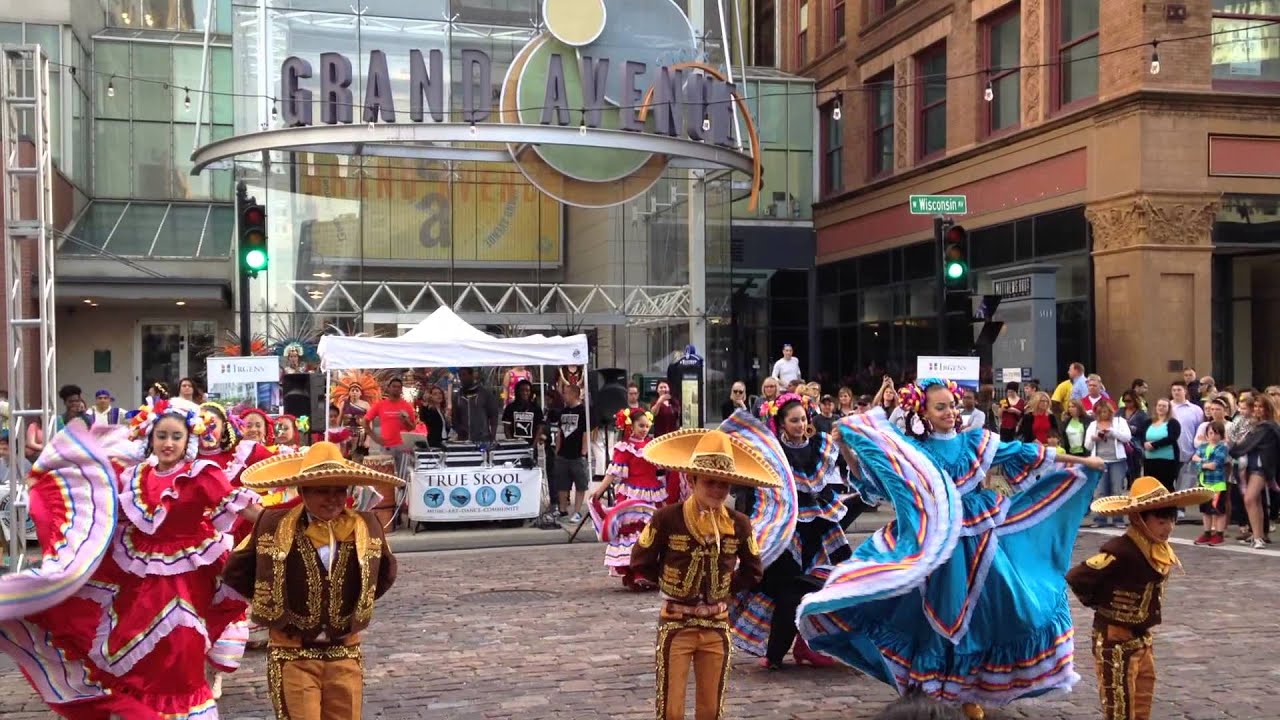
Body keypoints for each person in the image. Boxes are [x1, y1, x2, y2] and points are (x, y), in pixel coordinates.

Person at [797, 378, 1105, 720]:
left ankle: (967, 691)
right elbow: (878, 483)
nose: (950, 413)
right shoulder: (913, 453)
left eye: (952, 406)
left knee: (993, 614)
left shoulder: (975, 441)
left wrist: (1080, 462)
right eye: (940, 407)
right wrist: (848, 449)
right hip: (929, 544)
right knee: (925, 617)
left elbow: (1025, 453)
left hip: (977, 543)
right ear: (922, 412)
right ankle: (932, 692)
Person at [0, 398, 261, 717]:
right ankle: (143, 708)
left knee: (183, 645)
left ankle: (186, 708)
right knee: (132, 650)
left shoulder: (203, 473)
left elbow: (242, 506)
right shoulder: (134, 476)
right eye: (162, 436)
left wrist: (279, 522)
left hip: (189, 573)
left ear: (188, 440)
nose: (168, 443)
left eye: (176, 437)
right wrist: (44, 460)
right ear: (150, 438)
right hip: (137, 576)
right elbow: (96, 499)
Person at [223, 442, 400, 720]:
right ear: (303, 491)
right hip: (293, 651)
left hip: (345, 648)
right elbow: (237, 570)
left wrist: (350, 603)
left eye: (339, 490)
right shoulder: (273, 522)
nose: (332, 499)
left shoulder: (367, 526)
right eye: (322, 490)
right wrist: (273, 600)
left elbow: (385, 573)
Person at [630, 428, 774, 720]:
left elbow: (753, 569)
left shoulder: (739, 523)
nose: (718, 490)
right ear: (691, 479)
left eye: (724, 484)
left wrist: (725, 588)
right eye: (710, 482)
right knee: (671, 707)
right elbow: (641, 560)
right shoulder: (666, 517)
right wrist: (670, 582)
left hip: (717, 625)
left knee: (711, 709)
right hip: (676, 623)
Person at [1065, 476, 1214, 720]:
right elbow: (1078, 577)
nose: (1168, 528)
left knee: (1142, 701)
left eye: (1172, 521)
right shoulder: (1120, 551)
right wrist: (1105, 604)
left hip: (1143, 638)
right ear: (1139, 520)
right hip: (1115, 638)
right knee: (1119, 708)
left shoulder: (1157, 548)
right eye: (1161, 521)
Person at [747, 393, 850, 670]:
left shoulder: (820, 445)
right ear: (781, 423)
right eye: (794, 420)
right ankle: (777, 652)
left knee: (819, 589)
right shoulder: (772, 453)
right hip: (786, 531)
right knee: (789, 592)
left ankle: (807, 646)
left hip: (820, 528)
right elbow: (761, 491)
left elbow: (830, 480)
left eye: (803, 419)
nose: (800, 425)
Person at [587, 408, 664, 589]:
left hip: (652, 493)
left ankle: (649, 572)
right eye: (640, 425)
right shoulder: (625, 447)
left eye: (647, 426)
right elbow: (613, 472)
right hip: (633, 494)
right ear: (630, 425)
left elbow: (663, 468)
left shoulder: (652, 445)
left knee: (652, 532)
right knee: (635, 532)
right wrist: (599, 491)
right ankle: (636, 571)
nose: (644, 429)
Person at [1085, 401, 1133, 528]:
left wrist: (1112, 433)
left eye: (1105, 411)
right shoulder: (1093, 425)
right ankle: (1100, 519)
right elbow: (1087, 445)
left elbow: (1127, 437)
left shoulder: (1119, 421)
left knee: (1116, 490)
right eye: (1100, 412)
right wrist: (1094, 439)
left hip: (1117, 460)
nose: (1103, 414)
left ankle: (1118, 518)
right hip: (1099, 461)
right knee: (1100, 491)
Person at [1192, 420, 1230, 546]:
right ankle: (1207, 532)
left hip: (1217, 484)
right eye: (1211, 433)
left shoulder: (1222, 447)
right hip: (1203, 483)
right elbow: (1194, 458)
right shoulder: (1203, 446)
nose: (1213, 436)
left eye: (1216, 434)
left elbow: (1215, 464)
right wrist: (1204, 463)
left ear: (1221, 435)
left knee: (1218, 510)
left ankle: (1219, 533)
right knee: (1205, 510)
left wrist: (1200, 462)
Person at [555, 383, 590, 523]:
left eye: (567, 393)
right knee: (562, 484)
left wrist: (583, 451)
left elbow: (586, 432)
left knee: (580, 484)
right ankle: (562, 510)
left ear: (575, 394)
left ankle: (577, 511)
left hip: (577, 454)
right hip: (563, 453)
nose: (564, 395)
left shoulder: (583, 411)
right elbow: (559, 432)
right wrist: (557, 450)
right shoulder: (563, 412)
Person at [1142, 398, 1182, 493]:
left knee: (1165, 487)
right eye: (1159, 405)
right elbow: (1141, 436)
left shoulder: (1173, 423)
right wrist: (1144, 443)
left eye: (1164, 406)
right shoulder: (1148, 422)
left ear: (1169, 408)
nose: (1161, 408)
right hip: (1150, 460)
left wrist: (1154, 445)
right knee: (1151, 487)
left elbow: (1172, 438)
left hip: (1167, 461)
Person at [453, 367, 501, 443]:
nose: (462, 378)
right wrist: (459, 430)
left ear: (472, 375)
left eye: (464, 375)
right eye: (460, 376)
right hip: (464, 440)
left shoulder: (485, 394)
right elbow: (455, 418)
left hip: (483, 439)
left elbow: (493, 416)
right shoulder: (457, 396)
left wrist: (493, 436)